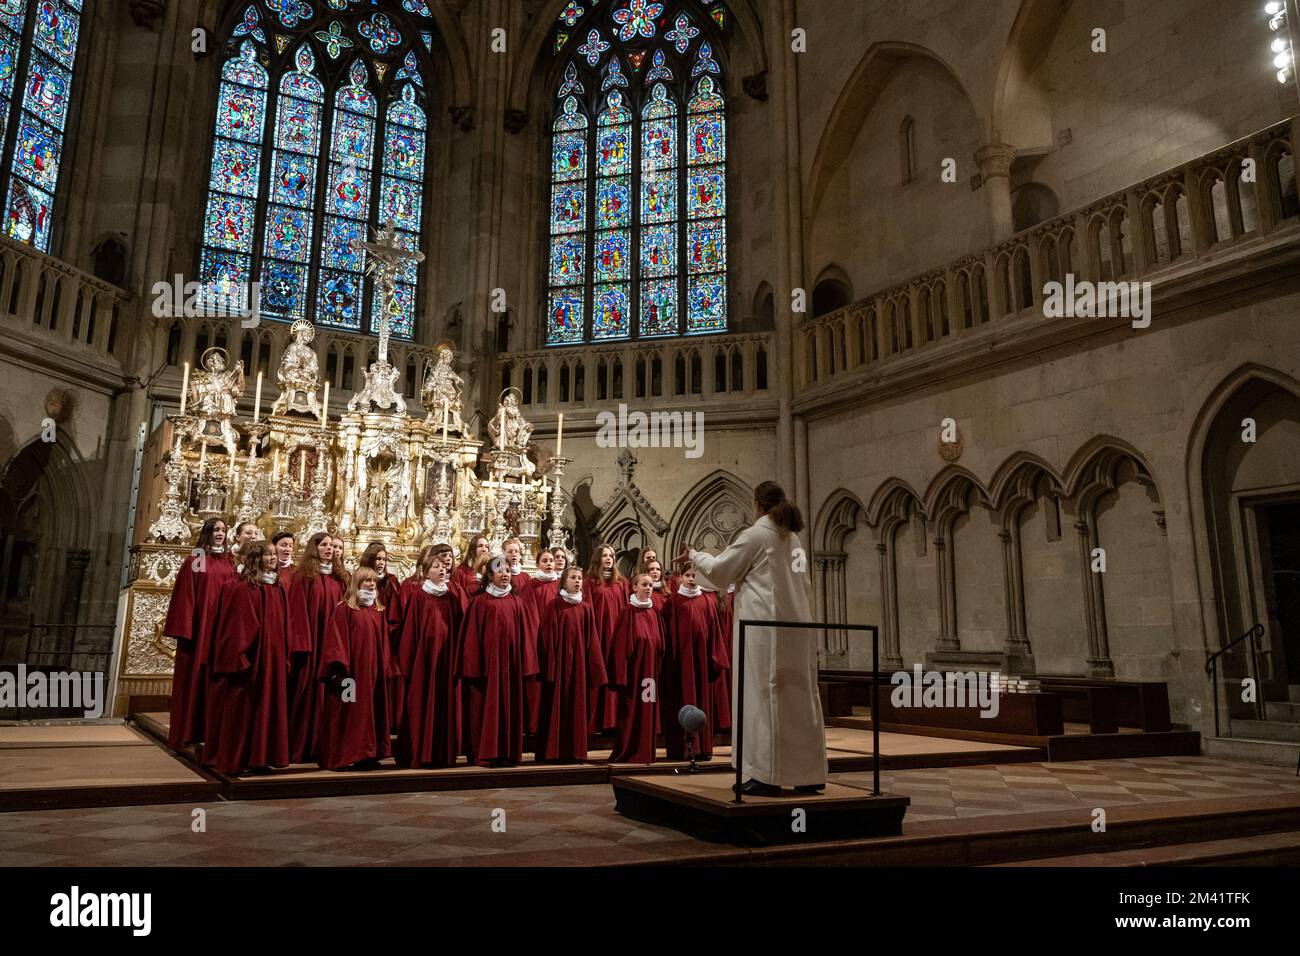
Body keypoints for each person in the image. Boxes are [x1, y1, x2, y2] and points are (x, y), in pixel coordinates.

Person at [678, 481, 826, 796]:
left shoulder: (756, 535)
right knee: (799, 699)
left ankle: (766, 775)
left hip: (764, 631)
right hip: (798, 631)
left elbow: (719, 572)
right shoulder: (793, 537)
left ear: (757, 504)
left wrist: (694, 554)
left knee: (764, 697)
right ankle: (808, 773)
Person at [202, 542, 292, 775]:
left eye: (274, 554)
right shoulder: (245, 588)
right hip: (251, 661)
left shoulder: (277, 588)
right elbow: (238, 627)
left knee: (266, 709)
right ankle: (236, 760)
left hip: (271, 661)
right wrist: (240, 658)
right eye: (268, 554)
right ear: (256, 558)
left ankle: (259, 758)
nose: (273, 558)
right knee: (242, 712)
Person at [456, 556, 538, 766]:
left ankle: (507, 753)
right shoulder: (479, 603)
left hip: (510, 670)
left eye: (508, 571)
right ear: (490, 575)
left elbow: (526, 638)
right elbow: (471, 640)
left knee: (508, 710)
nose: (505, 575)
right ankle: (483, 753)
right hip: (485, 671)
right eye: (500, 571)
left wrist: (526, 665)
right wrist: (473, 667)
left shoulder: (518, 603)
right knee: (483, 710)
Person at [163, 517, 236, 748]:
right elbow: (186, 594)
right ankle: (189, 730)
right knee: (195, 679)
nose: (220, 534)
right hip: (201, 629)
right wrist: (189, 628)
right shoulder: (197, 559)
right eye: (216, 530)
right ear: (207, 533)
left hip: (222, 628)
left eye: (223, 530)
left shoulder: (229, 562)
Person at [317, 567, 397, 770]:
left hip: (373, 674)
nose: (371, 584)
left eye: (373, 581)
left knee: (371, 712)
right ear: (357, 583)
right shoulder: (345, 609)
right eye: (366, 581)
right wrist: (340, 669)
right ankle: (344, 755)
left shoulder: (377, 611)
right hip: (349, 676)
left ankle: (368, 754)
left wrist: (385, 667)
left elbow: (384, 644)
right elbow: (336, 640)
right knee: (347, 712)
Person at [394, 550, 465, 768]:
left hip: (445, 660)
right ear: (425, 572)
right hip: (423, 662)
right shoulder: (419, 596)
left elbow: (459, 628)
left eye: (444, 566)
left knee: (444, 706)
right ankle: (418, 752)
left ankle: (441, 753)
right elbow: (409, 632)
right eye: (436, 566)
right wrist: (409, 663)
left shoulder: (451, 597)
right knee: (421, 704)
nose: (442, 569)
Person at [535, 566, 607, 762]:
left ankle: (575, 751)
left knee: (577, 707)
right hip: (558, 667)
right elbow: (545, 637)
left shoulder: (585, 608)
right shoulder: (554, 606)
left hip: (579, 667)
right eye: (573, 577)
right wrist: (550, 666)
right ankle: (553, 751)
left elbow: (592, 640)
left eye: (580, 578)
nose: (577, 581)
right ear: (564, 581)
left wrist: (594, 669)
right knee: (555, 707)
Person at [287, 532, 347, 763]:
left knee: (336, 694)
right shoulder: (304, 577)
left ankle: (328, 746)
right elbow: (297, 612)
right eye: (324, 545)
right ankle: (303, 747)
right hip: (312, 647)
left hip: (334, 647)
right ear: (315, 548)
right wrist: (303, 644)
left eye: (332, 545)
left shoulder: (340, 578)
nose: (329, 549)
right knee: (307, 695)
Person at [661, 564, 728, 761]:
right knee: (681, 702)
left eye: (694, 576)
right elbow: (667, 633)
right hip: (680, 666)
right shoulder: (673, 602)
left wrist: (715, 660)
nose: (691, 579)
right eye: (687, 575)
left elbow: (715, 634)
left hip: (702, 664)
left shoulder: (707, 601)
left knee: (702, 701)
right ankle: (681, 749)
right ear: (679, 578)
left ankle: (703, 748)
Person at [606, 571, 665, 764]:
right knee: (632, 712)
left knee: (648, 711)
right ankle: (629, 752)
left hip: (650, 674)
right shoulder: (628, 613)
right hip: (633, 674)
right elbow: (620, 649)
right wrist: (622, 677)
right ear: (634, 587)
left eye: (650, 585)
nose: (648, 588)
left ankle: (645, 752)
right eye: (644, 585)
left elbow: (661, 645)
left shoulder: (654, 613)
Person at [583, 543, 626, 732]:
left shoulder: (621, 583)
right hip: (599, 636)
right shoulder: (590, 582)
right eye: (605, 555)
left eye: (611, 556)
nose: (609, 559)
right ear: (597, 558)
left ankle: (614, 721)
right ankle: (597, 721)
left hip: (617, 637)